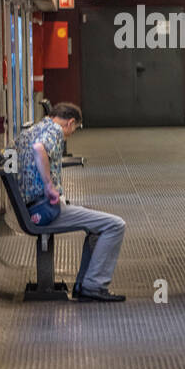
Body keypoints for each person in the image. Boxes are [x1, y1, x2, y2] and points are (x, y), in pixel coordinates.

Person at [16, 102, 127, 302]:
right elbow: (39, 149)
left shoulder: (33, 129)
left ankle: (85, 284)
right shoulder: (56, 131)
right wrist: (49, 186)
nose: (71, 134)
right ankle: (94, 286)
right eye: (74, 129)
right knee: (115, 225)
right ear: (70, 122)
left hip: (31, 206)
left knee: (97, 224)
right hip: (45, 209)